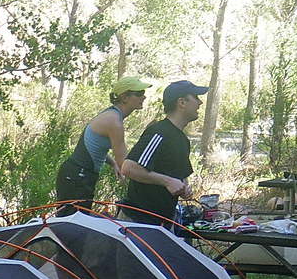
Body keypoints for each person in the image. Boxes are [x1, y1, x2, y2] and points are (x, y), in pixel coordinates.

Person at [54, 76, 151, 215]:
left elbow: (96, 146)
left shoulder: (112, 114)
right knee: (71, 228)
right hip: (77, 177)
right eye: (139, 94)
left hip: (79, 175)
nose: (144, 97)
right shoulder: (113, 121)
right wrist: (155, 178)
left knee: (75, 226)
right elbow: (125, 164)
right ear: (124, 98)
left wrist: (112, 164)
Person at [119, 79, 209, 227]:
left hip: (163, 223)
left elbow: (179, 177)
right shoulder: (159, 132)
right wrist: (168, 181)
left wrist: (184, 189)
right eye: (196, 98)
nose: (200, 103)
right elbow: (129, 168)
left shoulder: (182, 140)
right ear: (182, 102)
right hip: (138, 222)